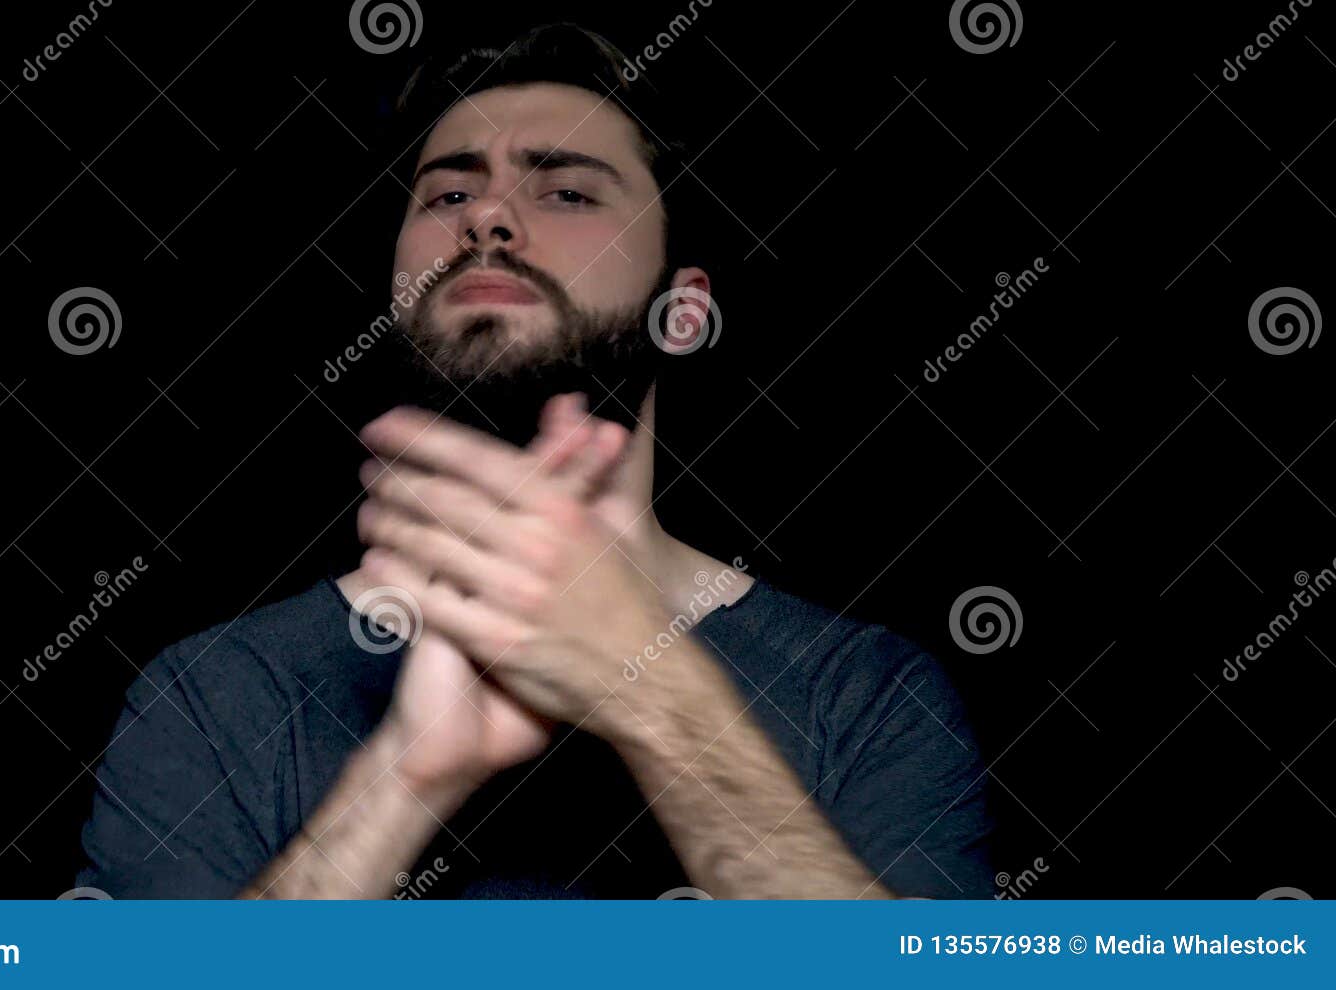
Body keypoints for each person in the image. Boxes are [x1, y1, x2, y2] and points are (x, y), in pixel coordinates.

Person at [74, 22, 994, 899]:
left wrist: (648, 684)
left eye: (566, 192)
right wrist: (403, 782)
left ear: (685, 310)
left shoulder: (864, 694)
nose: (489, 219)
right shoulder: (215, 692)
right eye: (447, 194)